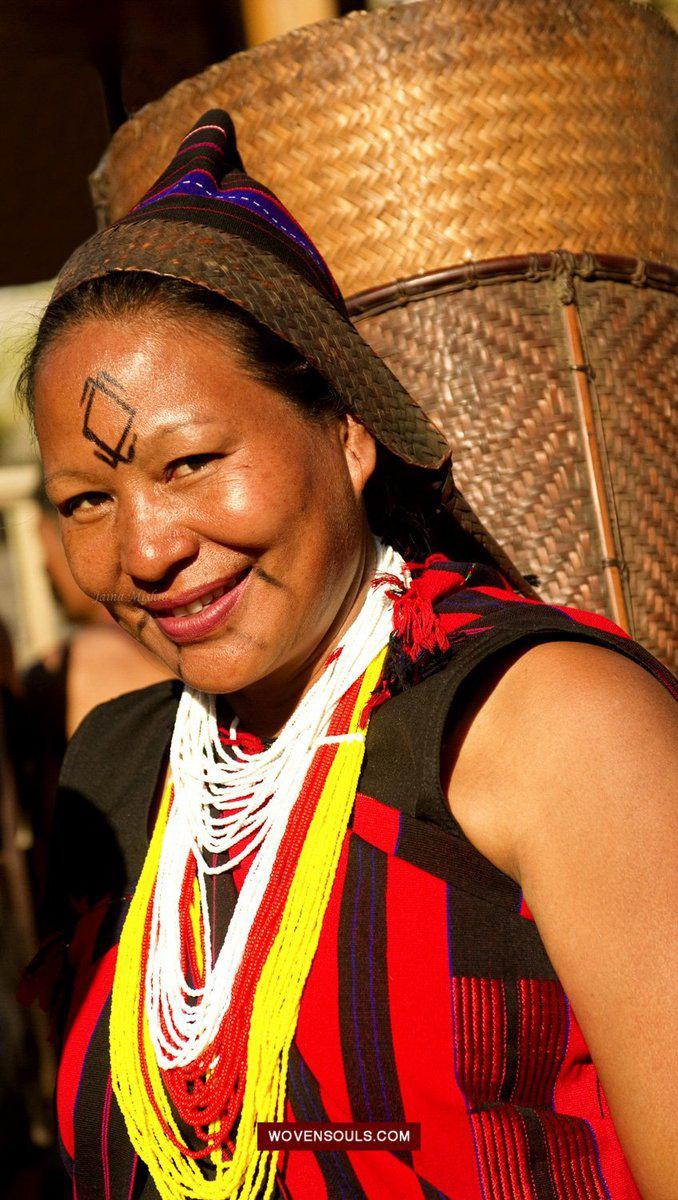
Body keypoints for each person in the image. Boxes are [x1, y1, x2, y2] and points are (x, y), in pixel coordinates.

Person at [18, 110, 677, 1200]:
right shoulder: (116, 772)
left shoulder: (543, 724)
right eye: (87, 499)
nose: (144, 550)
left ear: (347, 434)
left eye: (190, 464)